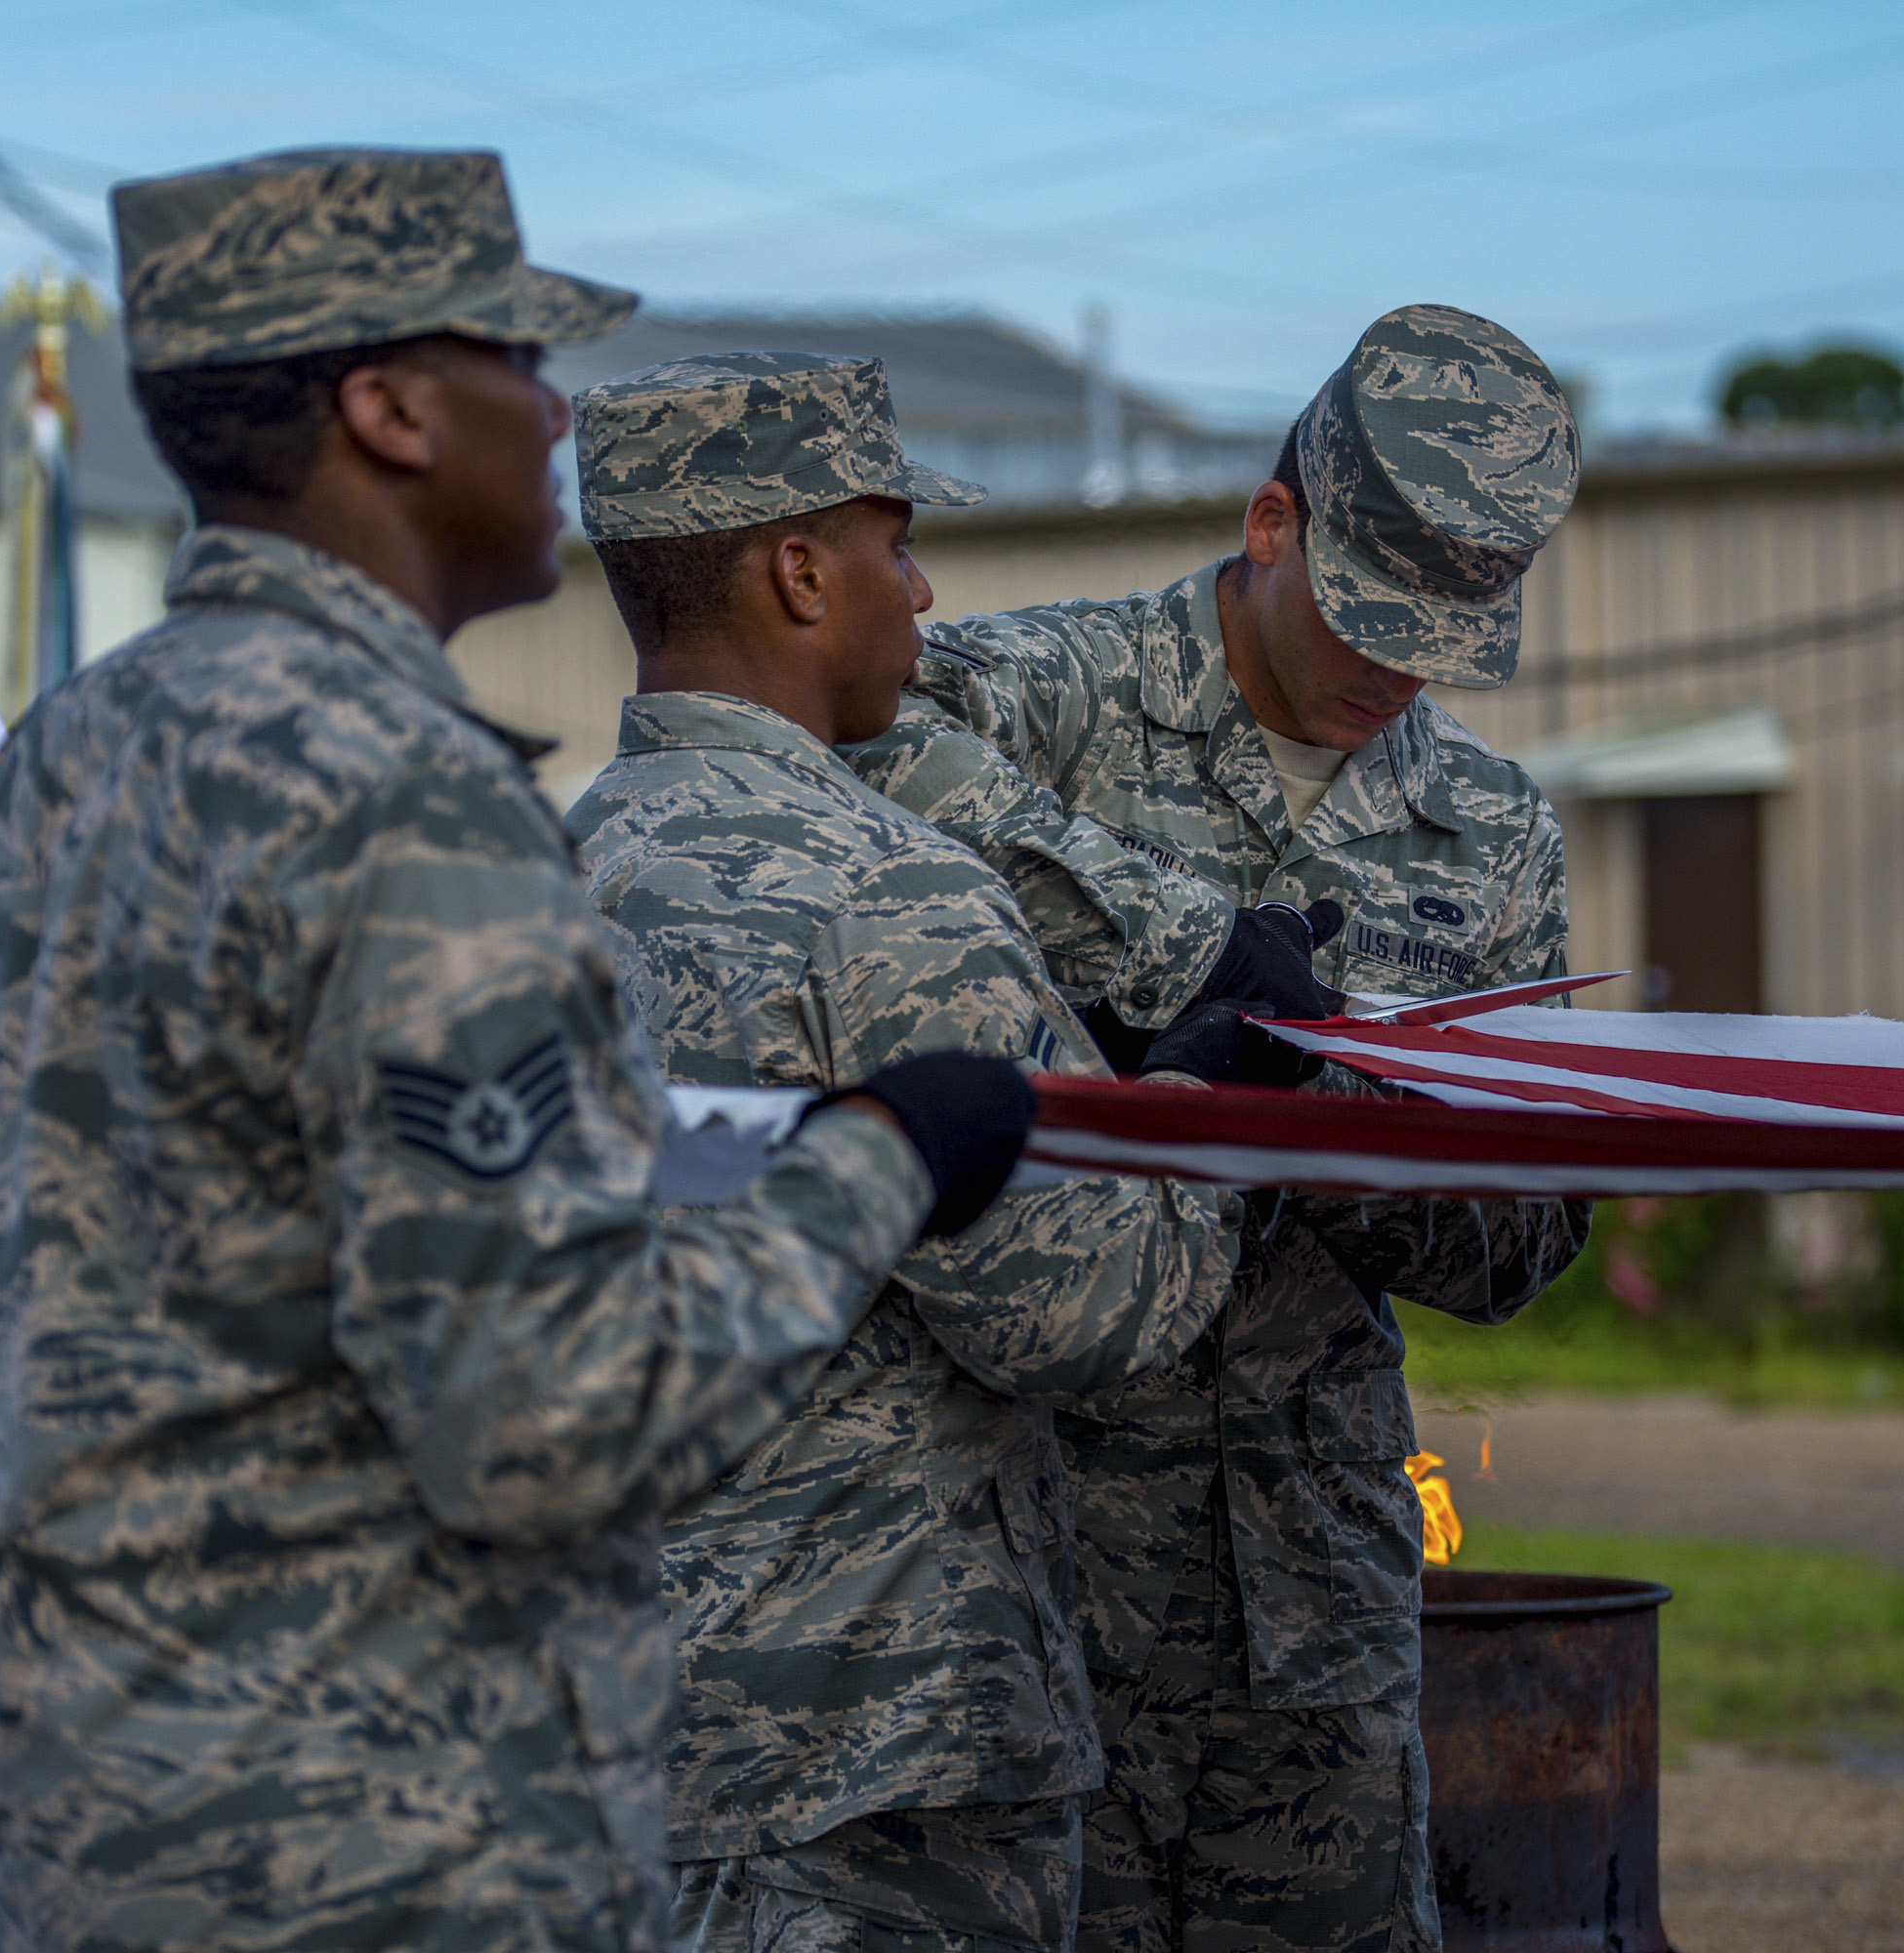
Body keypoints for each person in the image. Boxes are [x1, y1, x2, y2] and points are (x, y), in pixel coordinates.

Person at [0, 148, 1037, 1953]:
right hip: (389, 1856)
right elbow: (554, 1419)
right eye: (516, 357)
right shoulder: (411, 805)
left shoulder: (64, 762)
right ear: (391, 410)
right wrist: (881, 1156)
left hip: (95, 1826)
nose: (554, 411)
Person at [848, 305, 1597, 1953]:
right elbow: (855, 750)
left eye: (1435, 645)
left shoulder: (1488, 829)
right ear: (1273, 525)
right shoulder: (1047, 696)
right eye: (1366, 618)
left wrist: (1329, 1119)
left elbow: (1528, 1239)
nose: (1388, 676)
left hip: (1314, 1605)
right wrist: (1178, 949)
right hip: (1033, 1578)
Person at [564, 351, 1259, 1953]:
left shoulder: (545, 870)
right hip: (870, 1764)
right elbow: (1083, 1310)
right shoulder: (892, 893)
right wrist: (1205, 1122)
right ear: (800, 571)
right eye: (895, 544)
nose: (924, 590)